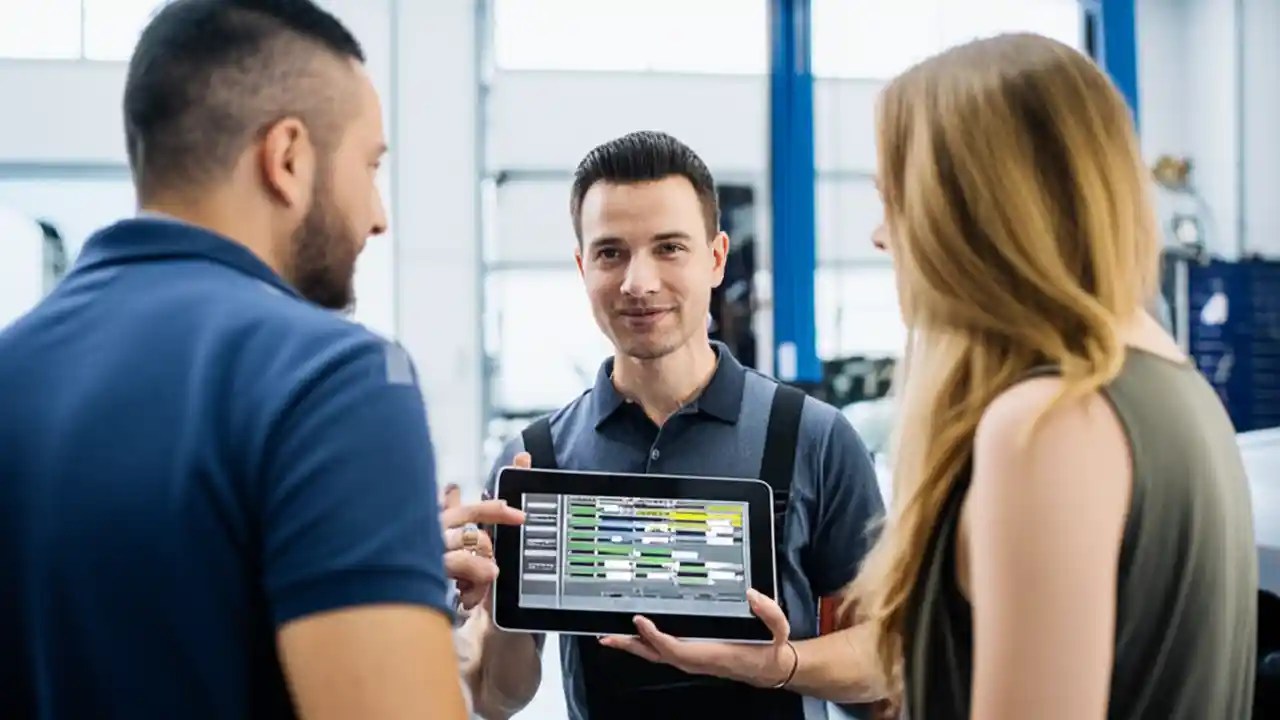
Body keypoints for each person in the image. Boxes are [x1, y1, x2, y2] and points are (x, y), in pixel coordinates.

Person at [0, 1, 521, 718]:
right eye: (370, 166)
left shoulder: (14, 367)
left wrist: (378, 566)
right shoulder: (341, 378)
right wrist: (437, 647)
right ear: (288, 157)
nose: (378, 214)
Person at [840, 33, 1253, 719]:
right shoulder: (1161, 376)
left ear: (971, 212)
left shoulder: (1051, 421)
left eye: (896, 199)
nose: (881, 237)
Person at [460, 130, 887, 720]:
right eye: (611, 253)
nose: (639, 282)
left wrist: (777, 665)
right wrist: (500, 599)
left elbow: (884, 659)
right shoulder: (535, 460)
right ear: (583, 267)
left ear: (715, 259)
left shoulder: (814, 438)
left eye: (669, 248)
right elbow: (500, 697)